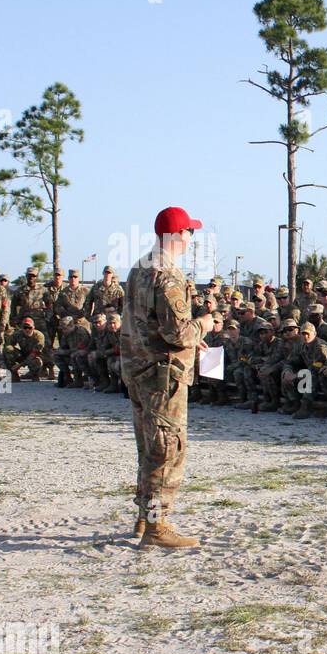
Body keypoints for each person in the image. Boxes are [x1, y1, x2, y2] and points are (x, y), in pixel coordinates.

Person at [119, 206, 214, 548]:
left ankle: (145, 518)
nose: (192, 238)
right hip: (163, 376)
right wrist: (204, 323)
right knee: (166, 450)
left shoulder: (139, 268)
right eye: (190, 232)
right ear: (177, 236)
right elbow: (177, 333)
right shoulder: (167, 275)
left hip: (138, 370)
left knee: (148, 446)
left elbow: (146, 324)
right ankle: (157, 527)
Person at [3, 317, 47, 382]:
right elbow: (9, 345)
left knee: (37, 361)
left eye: (29, 328)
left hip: (34, 356)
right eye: (25, 327)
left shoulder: (39, 336)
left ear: (33, 327)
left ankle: (35, 375)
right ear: (22, 328)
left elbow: (35, 353)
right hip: (23, 354)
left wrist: (20, 365)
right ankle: (14, 373)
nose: (27, 330)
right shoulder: (17, 334)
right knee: (8, 349)